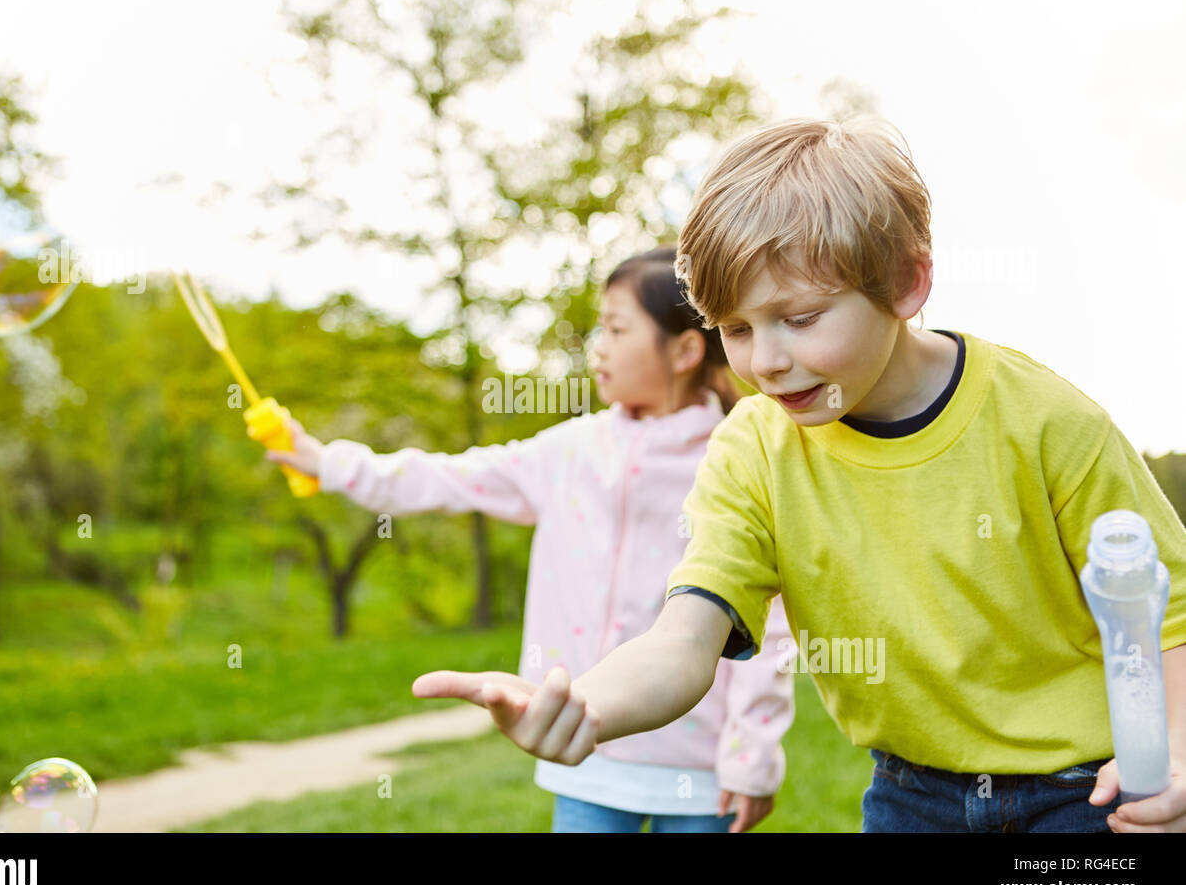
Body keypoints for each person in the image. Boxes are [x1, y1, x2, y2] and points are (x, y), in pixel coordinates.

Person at [412, 116, 1186, 833]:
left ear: (907, 284)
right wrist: (586, 703)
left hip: (1090, 790)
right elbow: (684, 641)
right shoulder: (752, 449)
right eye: (738, 330)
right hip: (911, 792)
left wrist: (1178, 753)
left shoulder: (1047, 421)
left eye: (801, 318)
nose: (768, 360)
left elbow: (1174, 612)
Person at [268, 246, 795, 833]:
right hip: (581, 743)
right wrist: (327, 462)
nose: (598, 345)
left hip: (699, 774)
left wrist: (751, 761)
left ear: (685, 349)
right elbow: (445, 477)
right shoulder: (567, 452)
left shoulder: (735, 459)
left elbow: (765, 627)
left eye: (617, 329)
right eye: (598, 327)